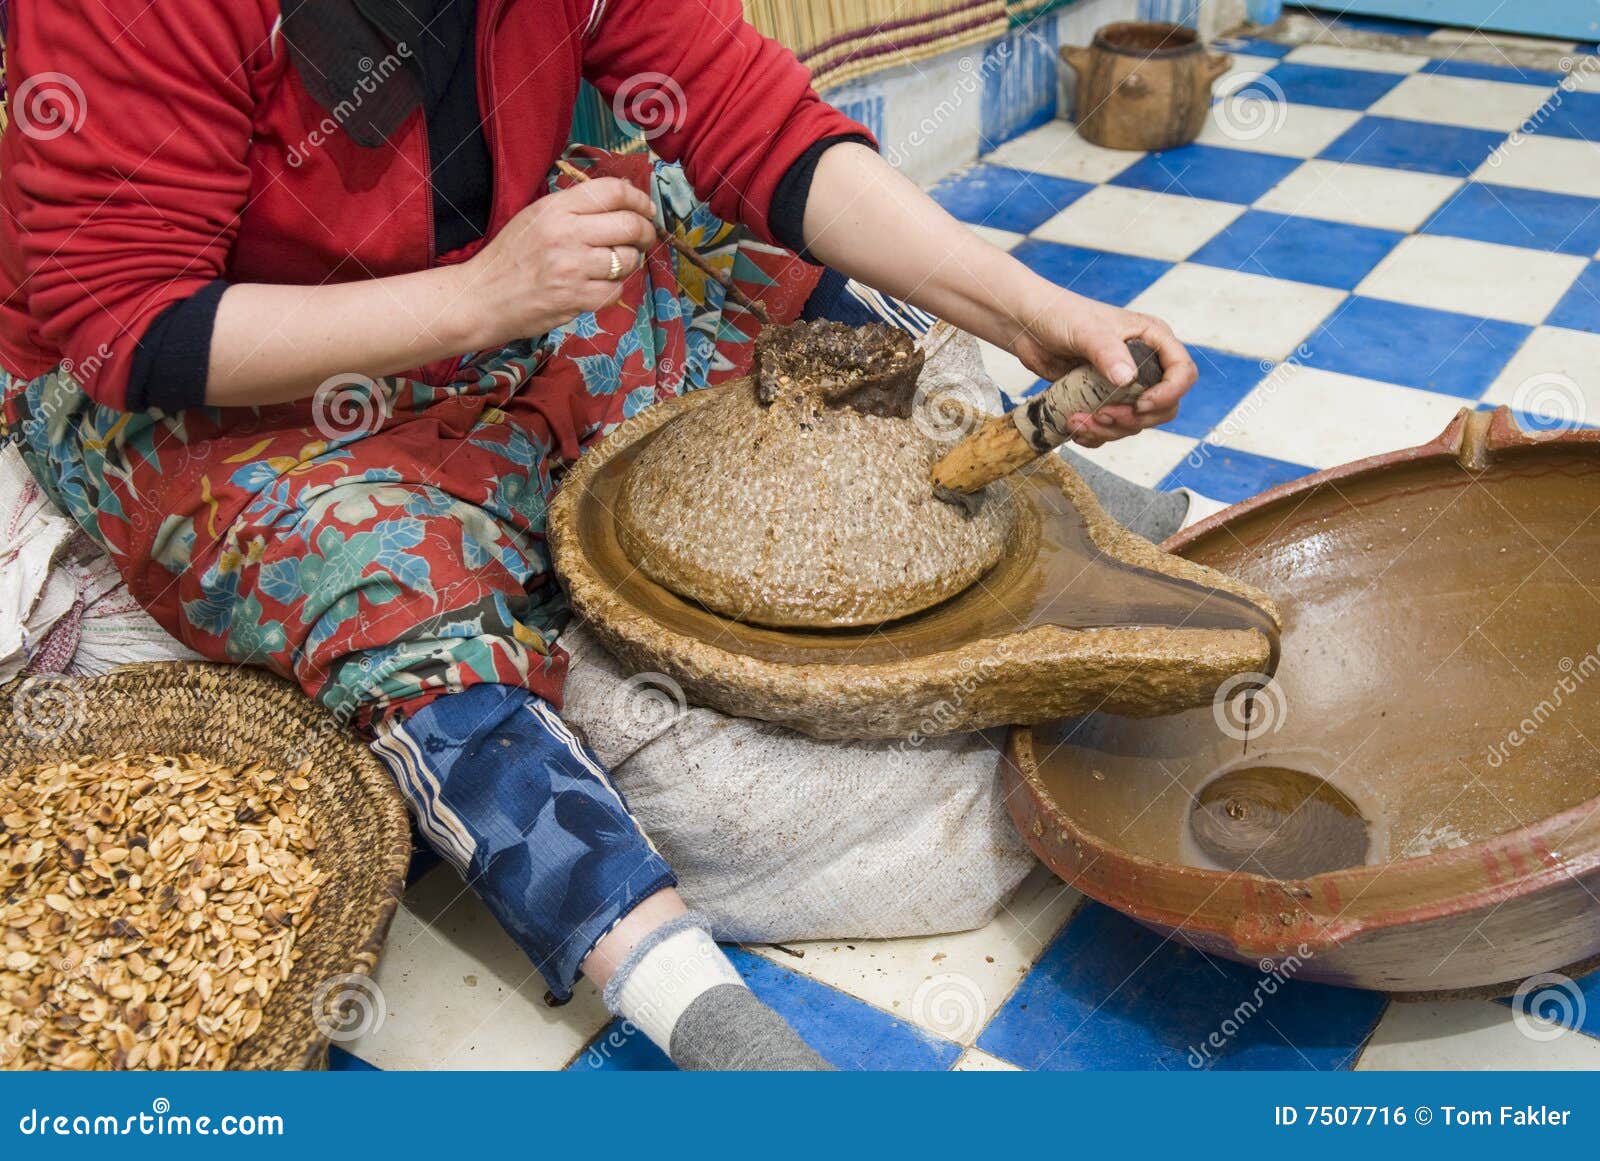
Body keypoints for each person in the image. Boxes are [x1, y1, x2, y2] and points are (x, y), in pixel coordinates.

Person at [0, 0, 1197, 1069]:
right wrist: (478, 300)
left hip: (476, 282)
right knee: (378, 575)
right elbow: (122, 324)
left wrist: (1032, 313)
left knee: (717, 233)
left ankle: (1022, 489)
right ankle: (696, 1008)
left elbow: (753, 119)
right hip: (215, 381)